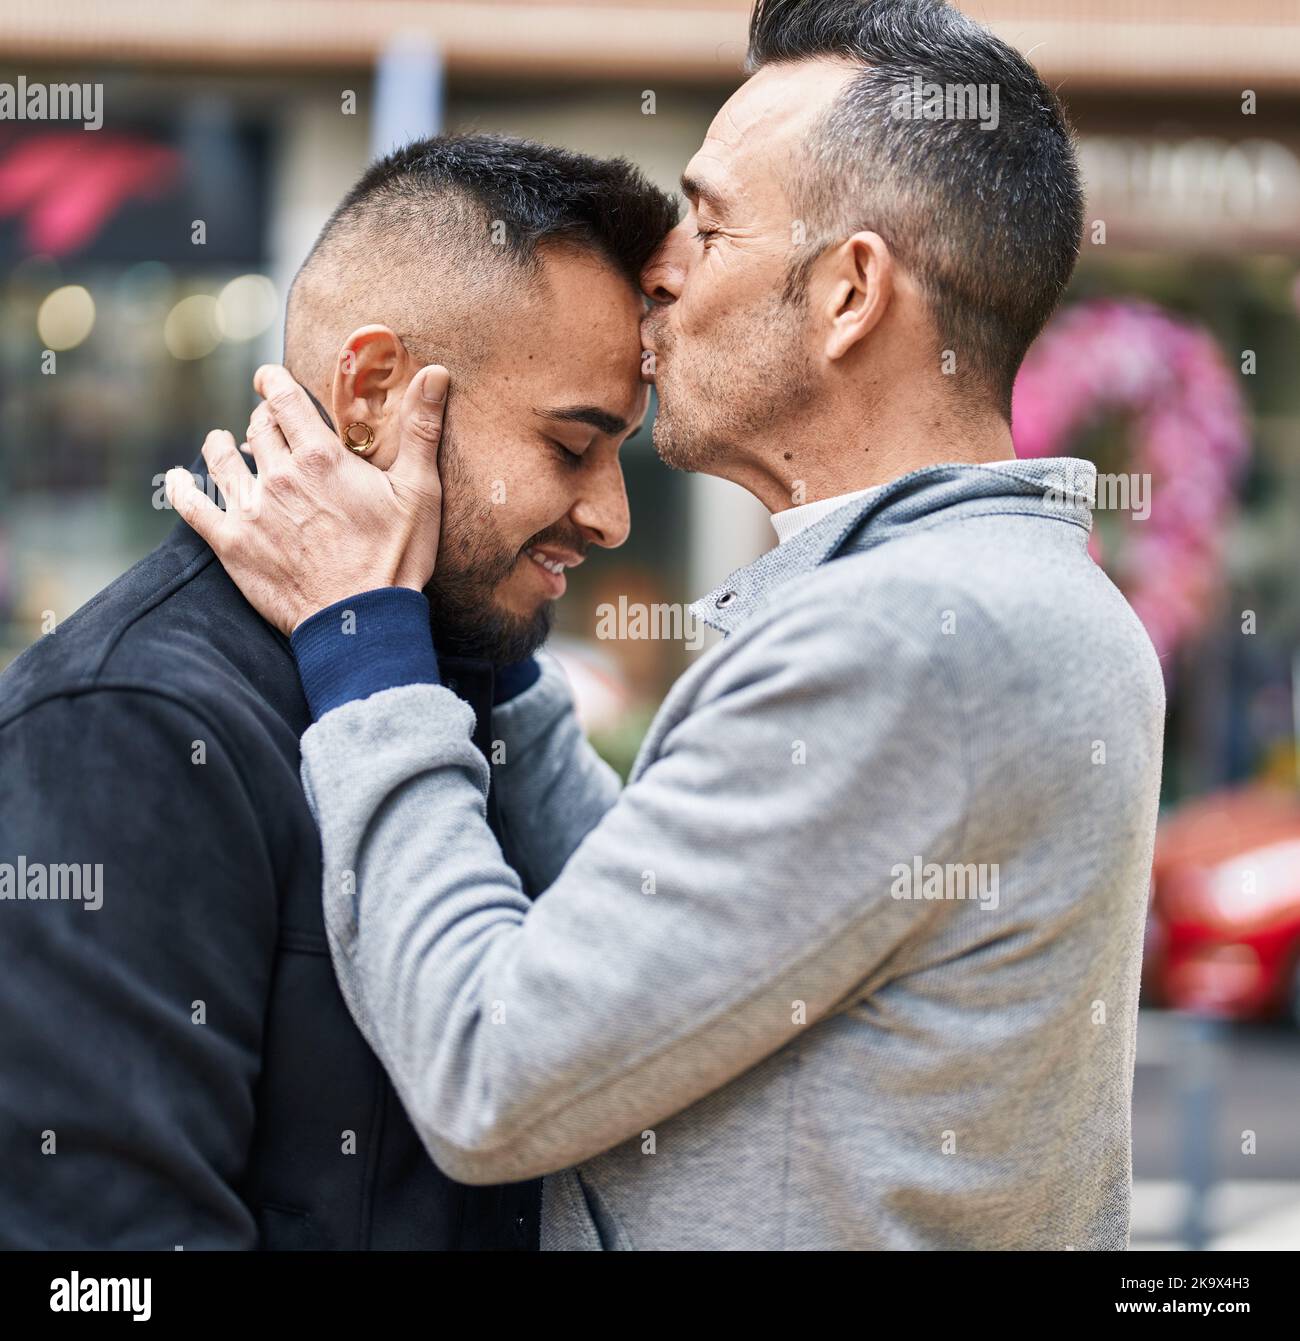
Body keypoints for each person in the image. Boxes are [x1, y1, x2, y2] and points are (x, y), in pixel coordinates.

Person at [174, 0, 1166, 1249]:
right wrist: (474, 611)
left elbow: (493, 1074)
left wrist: (366, 645)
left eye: (706, 224)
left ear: (851, 293)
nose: (662, 271)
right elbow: (652, 938)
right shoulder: (1006, 594)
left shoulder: (914, 636)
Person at [0, 135, 675, 1248]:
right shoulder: (132, 725)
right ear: (370, 392)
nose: (612, 516)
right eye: (570, 446)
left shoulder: (463, 684)